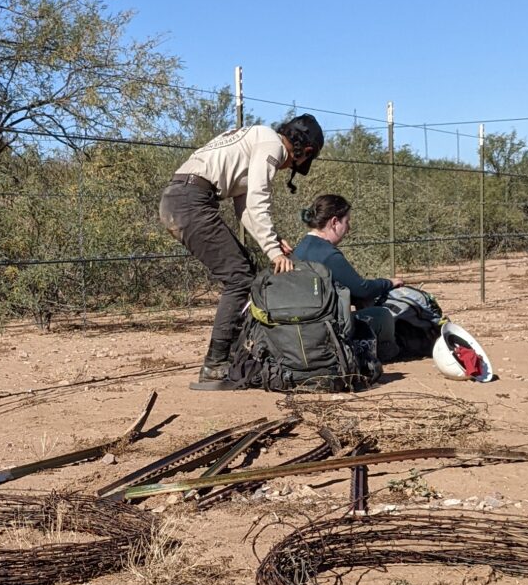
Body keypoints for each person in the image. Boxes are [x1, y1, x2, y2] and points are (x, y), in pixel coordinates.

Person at [159, 113, 325, 388]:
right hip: (191, 201)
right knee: (239, 277)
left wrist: (274, 239)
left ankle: (231, 357)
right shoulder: (272, 145)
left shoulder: (255, 139)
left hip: (181, 197)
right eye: (298, 164)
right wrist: (274, 253)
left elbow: (245, 208)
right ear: (304, 151)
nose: (286, 169)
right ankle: (216, 365)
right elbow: (259, 200)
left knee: (242, 271)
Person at [294, 192, 401, 362]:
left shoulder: (299, 249)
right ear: (334, 222)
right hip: (328, 328)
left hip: (302, 329)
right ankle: (384, 355)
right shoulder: (328, 254)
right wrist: (388, 282)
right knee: (383, 315)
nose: (348, 228)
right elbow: (362, 288)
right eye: (347, 221)